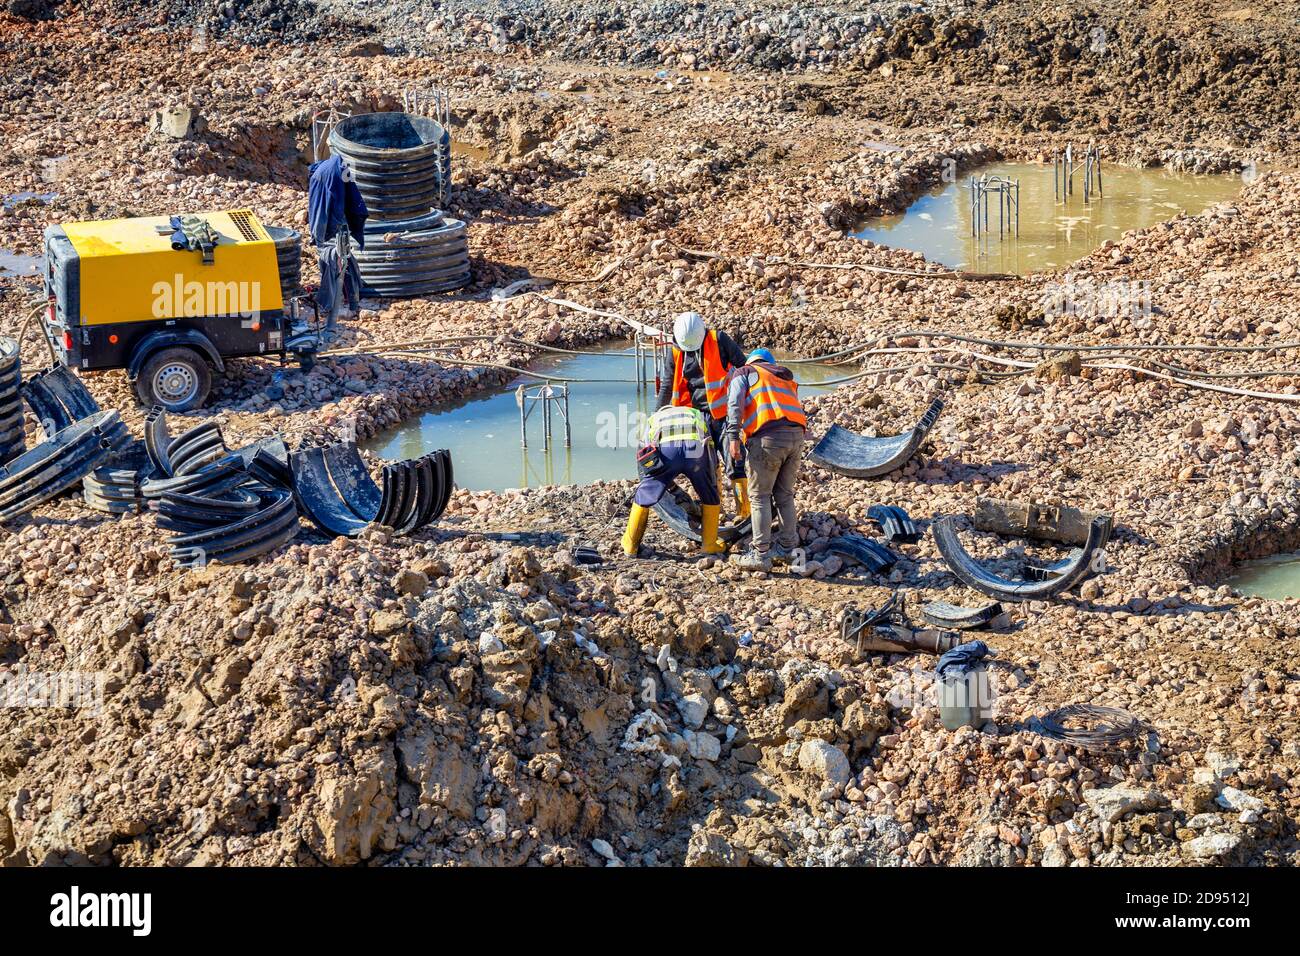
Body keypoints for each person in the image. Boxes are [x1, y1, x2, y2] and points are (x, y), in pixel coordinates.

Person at [656, 311, 750, 515]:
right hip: (695, 418)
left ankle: (744, 511)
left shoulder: (719, 340)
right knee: (707, 467)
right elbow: (667, 385)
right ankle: (717, 510)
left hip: (725, 415)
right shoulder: (674, 352)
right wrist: (655, 418)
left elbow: (744, 369)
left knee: (735, 460)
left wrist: (750, 404)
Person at [725, 348, 807, 571]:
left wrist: (732, 436)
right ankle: (788, 550)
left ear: (753, 361)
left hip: (767, 438)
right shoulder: (784, 376)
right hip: (796, 437)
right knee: (785, 495)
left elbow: (734, 404)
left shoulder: (744, 372)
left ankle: (760, 554)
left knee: (760, 496)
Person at [622, 403, 727, 557]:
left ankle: (630, 545)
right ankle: (709, 545)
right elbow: (710, 445)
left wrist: (651, 478)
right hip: (695, 452)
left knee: (645, 495)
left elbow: (645, 450)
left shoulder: (655, 418)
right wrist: (711, 478)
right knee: (708, 494)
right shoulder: (697, 414)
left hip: (667, 453)